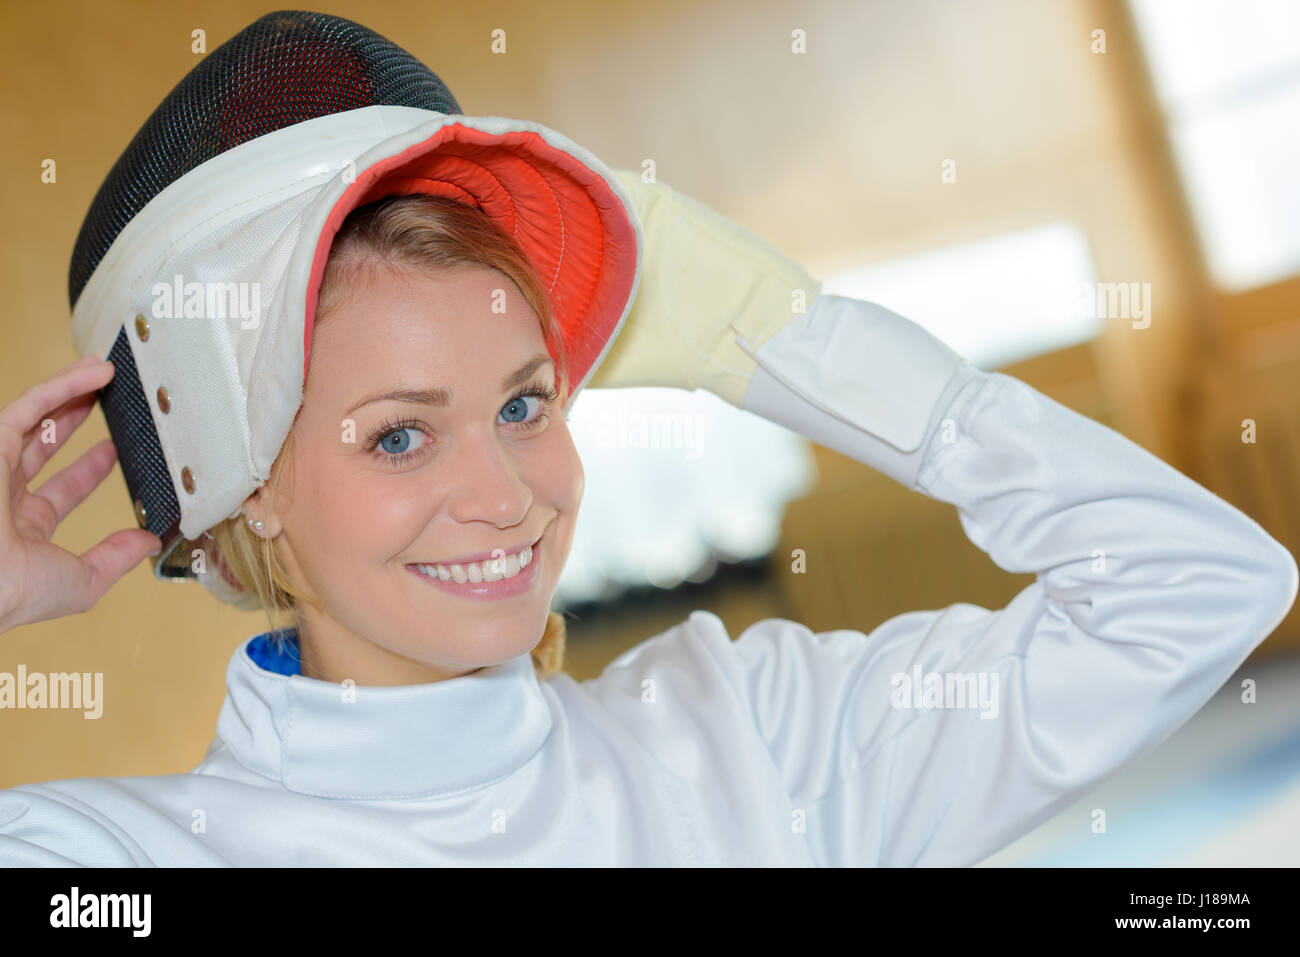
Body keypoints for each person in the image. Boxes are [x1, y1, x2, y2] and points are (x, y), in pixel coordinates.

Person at [1, 10, 1295, 867]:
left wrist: (781, 338)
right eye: (399, 437)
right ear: (248, 489)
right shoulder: (120, 867)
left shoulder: (757, 742)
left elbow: (1198, 588)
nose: (505, 494)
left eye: (523, 402)